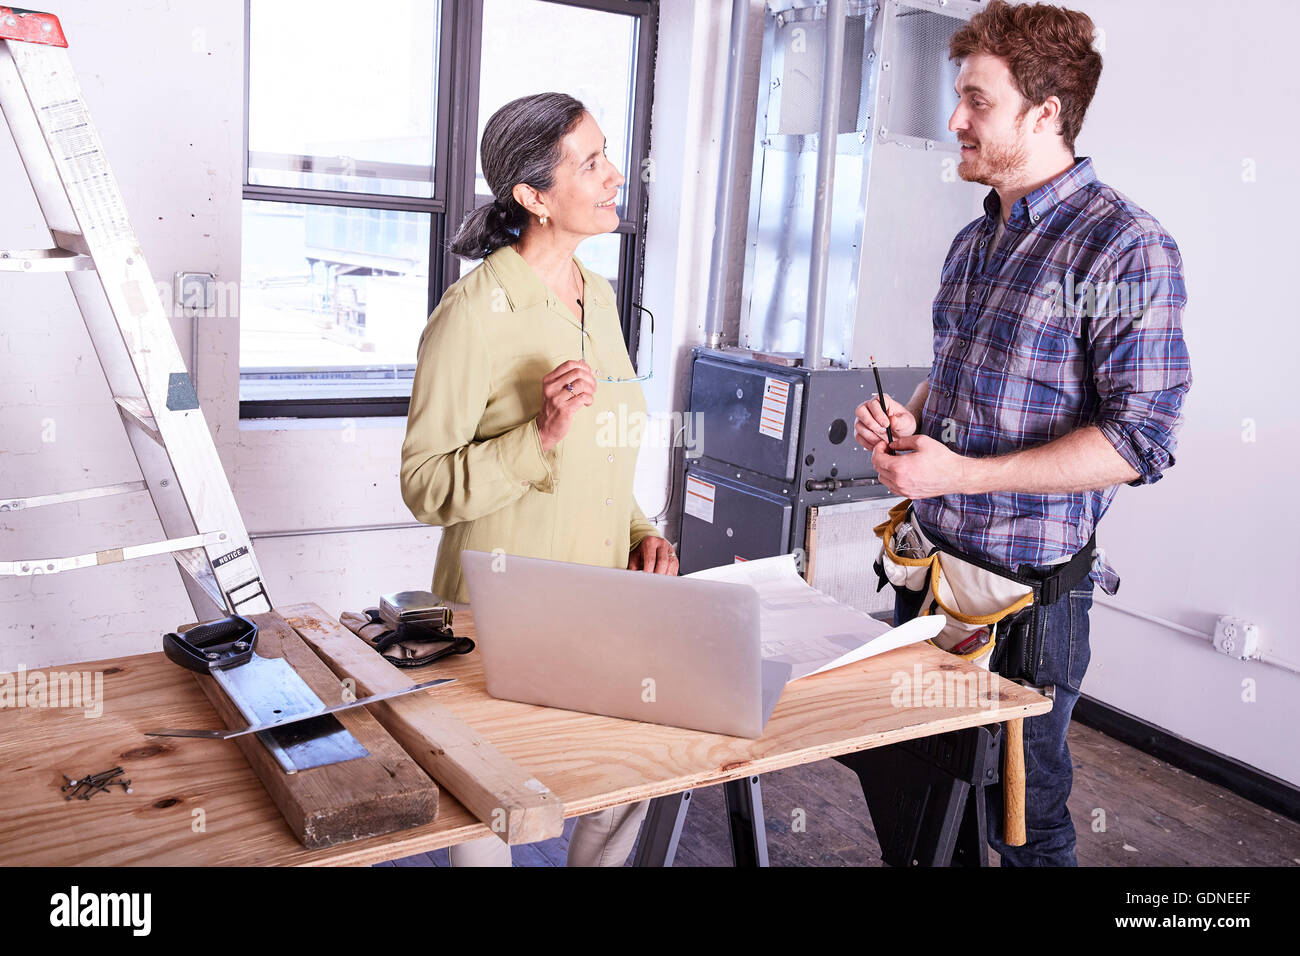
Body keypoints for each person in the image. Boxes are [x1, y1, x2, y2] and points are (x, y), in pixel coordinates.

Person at [856, 1, 1191, 866]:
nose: (955, 119)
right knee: (912, 792)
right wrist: (911, 422)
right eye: (957, 96)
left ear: (1046, 115)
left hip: (1029, 605)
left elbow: (1140, 441)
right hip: (931, 578)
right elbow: (967, 380)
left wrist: (955, 475)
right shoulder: (975, 240)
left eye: (976, 99)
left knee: (1025, 823)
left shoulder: (1121, 248)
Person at [400, 92, 678, 867]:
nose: (615, 175)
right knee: (500, 808)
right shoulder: (473, 313)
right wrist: (539, 434)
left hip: (603, 603)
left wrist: (642, 533)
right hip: (497, 612)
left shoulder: (604, 297)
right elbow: (424, 486)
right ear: (533, 198)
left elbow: (603, 457)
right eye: (591, 163)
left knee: (624, 782)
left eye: (606, 154)